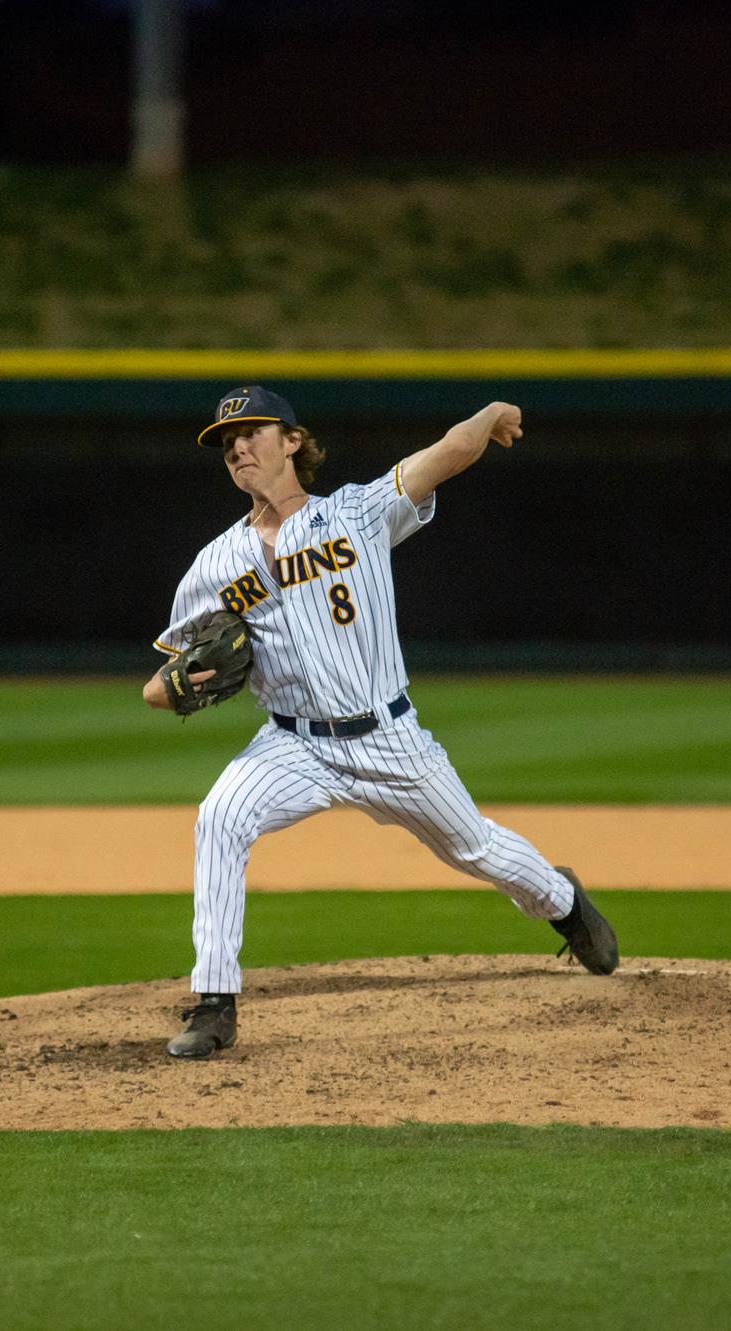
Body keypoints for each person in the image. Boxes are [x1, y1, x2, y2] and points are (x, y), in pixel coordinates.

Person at [141, 386, 619, 1059]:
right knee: (221, 816)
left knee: (475, 848)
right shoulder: (214, 563)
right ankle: (215, 1004)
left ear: (293, 442)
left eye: (252, 433)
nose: (238, 448)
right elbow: (158, 684)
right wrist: (176, 688)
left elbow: (447, 454)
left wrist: (486, 416)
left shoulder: (355, 513)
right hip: (294, 744)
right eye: (227, 443)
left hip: (390, 739)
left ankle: (563, 902)